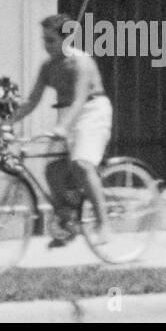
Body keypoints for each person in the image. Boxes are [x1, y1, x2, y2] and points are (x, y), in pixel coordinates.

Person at [8, 13, 113, 247]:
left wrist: (62, 127)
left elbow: (79, 99)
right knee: (53, 170)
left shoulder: (81, 62)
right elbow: (32, 101)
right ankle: (68, 222)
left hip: (92, 111)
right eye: (44, 40)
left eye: (52, 40)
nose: (47, 46)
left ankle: (103, 224)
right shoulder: (48, 66)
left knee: (81, 165)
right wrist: (5, 123)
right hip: (67, 114)